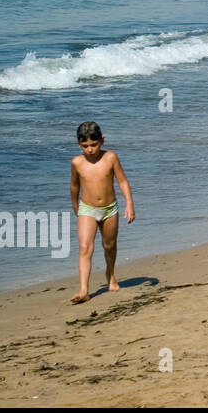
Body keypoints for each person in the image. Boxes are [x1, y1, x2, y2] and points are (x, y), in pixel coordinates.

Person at [69, 121, 135, 304]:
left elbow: (122, 181)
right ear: (78, 144)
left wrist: (129, 203)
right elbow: (74, 185)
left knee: (109, 246)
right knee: (84, 247)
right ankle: (84, 290)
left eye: (93, 144)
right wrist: (75, 205)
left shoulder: (111, 158)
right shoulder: (77, 162)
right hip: (87, 209)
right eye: (85, 146)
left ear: (102, 141)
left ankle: (110, 275)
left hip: (109, 209)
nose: (89, 149)